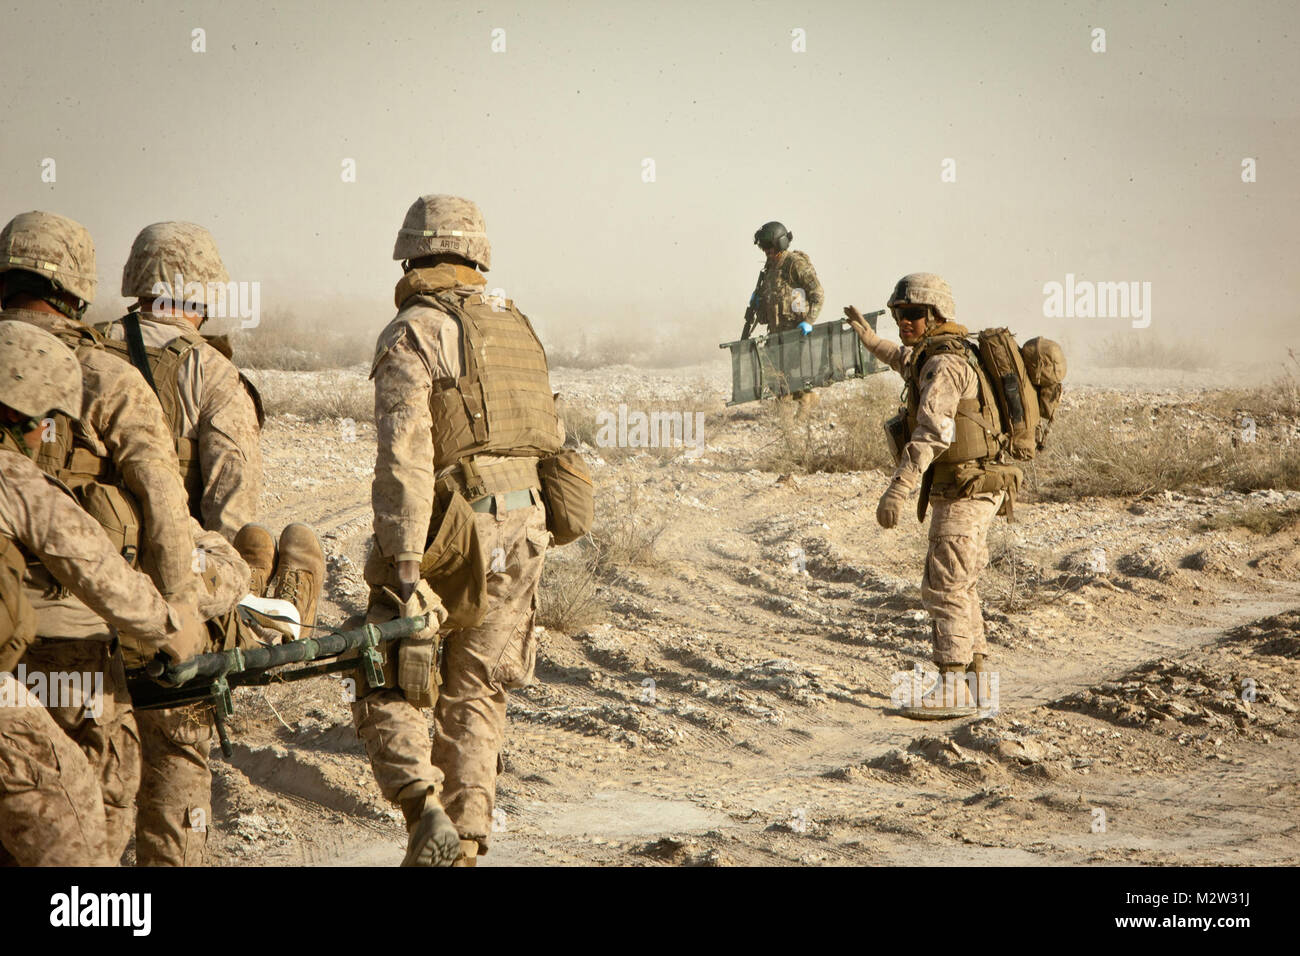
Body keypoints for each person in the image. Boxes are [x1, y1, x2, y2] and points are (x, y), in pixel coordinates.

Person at [100, 220, 323, 865]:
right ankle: (279, 608)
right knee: (174, 780)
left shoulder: (79, 356)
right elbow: (230, 516)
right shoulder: (212, 374)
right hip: (168, 603)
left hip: (64, 604)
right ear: (202, 297)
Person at [353, 194, 563, 866]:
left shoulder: (414, 329)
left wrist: (405, 566)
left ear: (411, 252)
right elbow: (551, 435)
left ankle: (425, 814)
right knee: (478, 690)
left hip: (451, 531)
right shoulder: (515, 323)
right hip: (526, 525)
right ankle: (468, 844)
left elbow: (405, 457)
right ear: (476, 256)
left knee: (390, 671)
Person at [0, 210, 210, 859]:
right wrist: (179, 626)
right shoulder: (106, 373)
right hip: (81, 646)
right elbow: (163, 506)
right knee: (88, 830)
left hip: (12, 651)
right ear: (78, 285)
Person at [846, 273, 1016, 719]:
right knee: (964, 584)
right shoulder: (939, 355)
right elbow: (904, 360)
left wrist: (898, 490)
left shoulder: (945, 365)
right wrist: (869, 339)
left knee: (943, 585)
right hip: (969, 486)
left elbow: (933, 432)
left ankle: (952, 685)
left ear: (936, 315)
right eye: (898, 314)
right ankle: (978, 685)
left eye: (912, 314)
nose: (904, 321)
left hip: (964, 489)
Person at [742, 221, 825, 410]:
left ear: (779, 244)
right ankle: (792, 409)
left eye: (769, 247)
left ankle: (804, 405)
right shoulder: (769, 268)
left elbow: (818, 294)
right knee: (778, 378)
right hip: (776, 333)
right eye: (764, 248)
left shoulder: (794, 264)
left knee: (791, 377)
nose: (766, 251)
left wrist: (809, 321)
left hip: (795, 332)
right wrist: (758, 301)